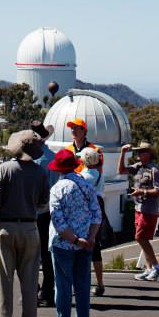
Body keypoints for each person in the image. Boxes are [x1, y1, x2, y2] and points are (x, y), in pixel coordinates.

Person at [0, 129, 49, 317]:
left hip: (6, 228)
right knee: (29, 283)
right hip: (30, 229)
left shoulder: (4, 170)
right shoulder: (40, 173)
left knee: (2, 281)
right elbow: (43, 203)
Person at [46, 148, 102, 317]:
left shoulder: (57, 189)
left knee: (62, 286)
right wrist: (90, 238)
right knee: (82, 285)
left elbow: (58, 221)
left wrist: (74, 239)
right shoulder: (86, 185)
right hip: (86, 244)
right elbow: (97, 214)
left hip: (64, 244)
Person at [65, 117, 106, 295]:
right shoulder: (67, 150)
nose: (74, 131)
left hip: (90, 201)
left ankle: (99, 283)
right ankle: (79, 282)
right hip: (75, 202)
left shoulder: (96, 150)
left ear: (84, 130)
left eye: (77, 128)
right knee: (76, 243)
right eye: (72, 128)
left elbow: (95, 173)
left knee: (92, 243)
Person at [117, 141, 159, 280]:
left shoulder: (153, 170)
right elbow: (121, 171)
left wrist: (142, 192)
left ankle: (156, 267)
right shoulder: (138, 167)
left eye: (142, 151)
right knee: (142, 239)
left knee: (141, 238)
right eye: (138, 151)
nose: (138, 154)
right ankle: (149, 269)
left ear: (149, 154)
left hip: (148, 209)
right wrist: (122, 153)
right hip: (139, 208)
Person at [31, 120, 58, 307]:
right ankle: (48, 291)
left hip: (29, 213)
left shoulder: (30, 160)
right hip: (48, 212)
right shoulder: (53, 159)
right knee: (47, 255)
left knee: (29, 255)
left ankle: (32, 289)